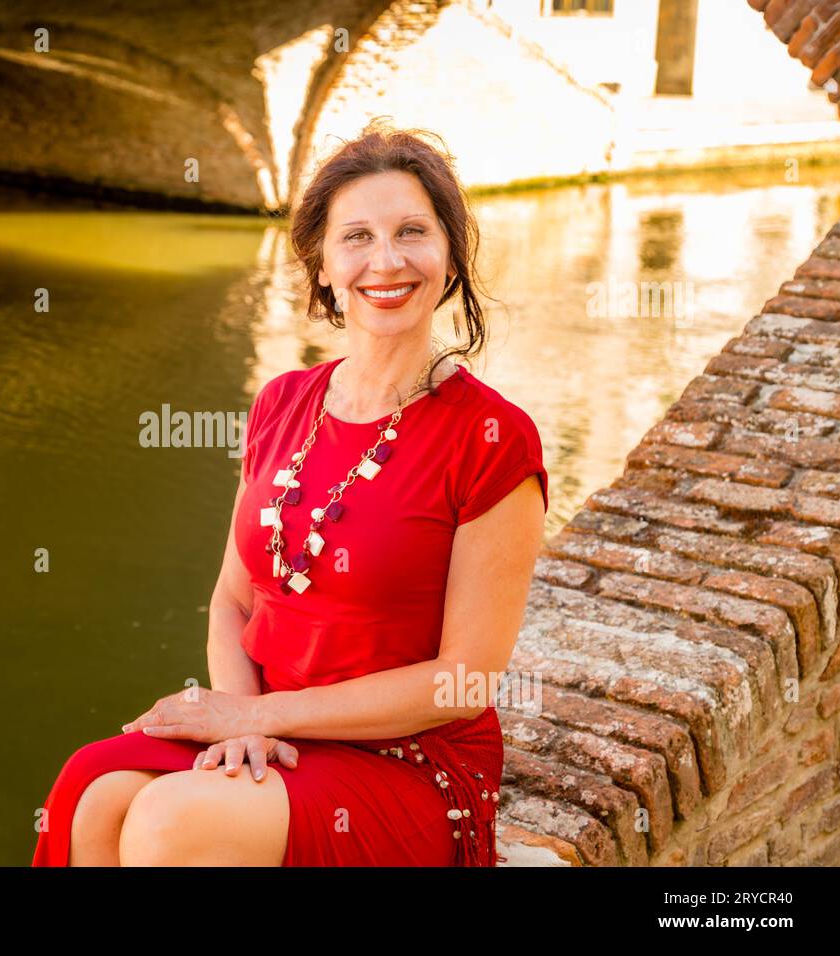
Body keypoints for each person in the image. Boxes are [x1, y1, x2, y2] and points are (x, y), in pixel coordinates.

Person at [31, 124, 549, 866]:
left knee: (170, 824)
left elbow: (461, 683)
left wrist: (256, 712)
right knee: (93, 788)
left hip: (409, 762)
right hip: (274, 733)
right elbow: (232, 602)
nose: (387, 261)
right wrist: (240, 724)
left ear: (450, 254)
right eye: (357, 238)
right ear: (324, 265)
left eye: (412, 232)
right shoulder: (282, 401)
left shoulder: (494, 438)